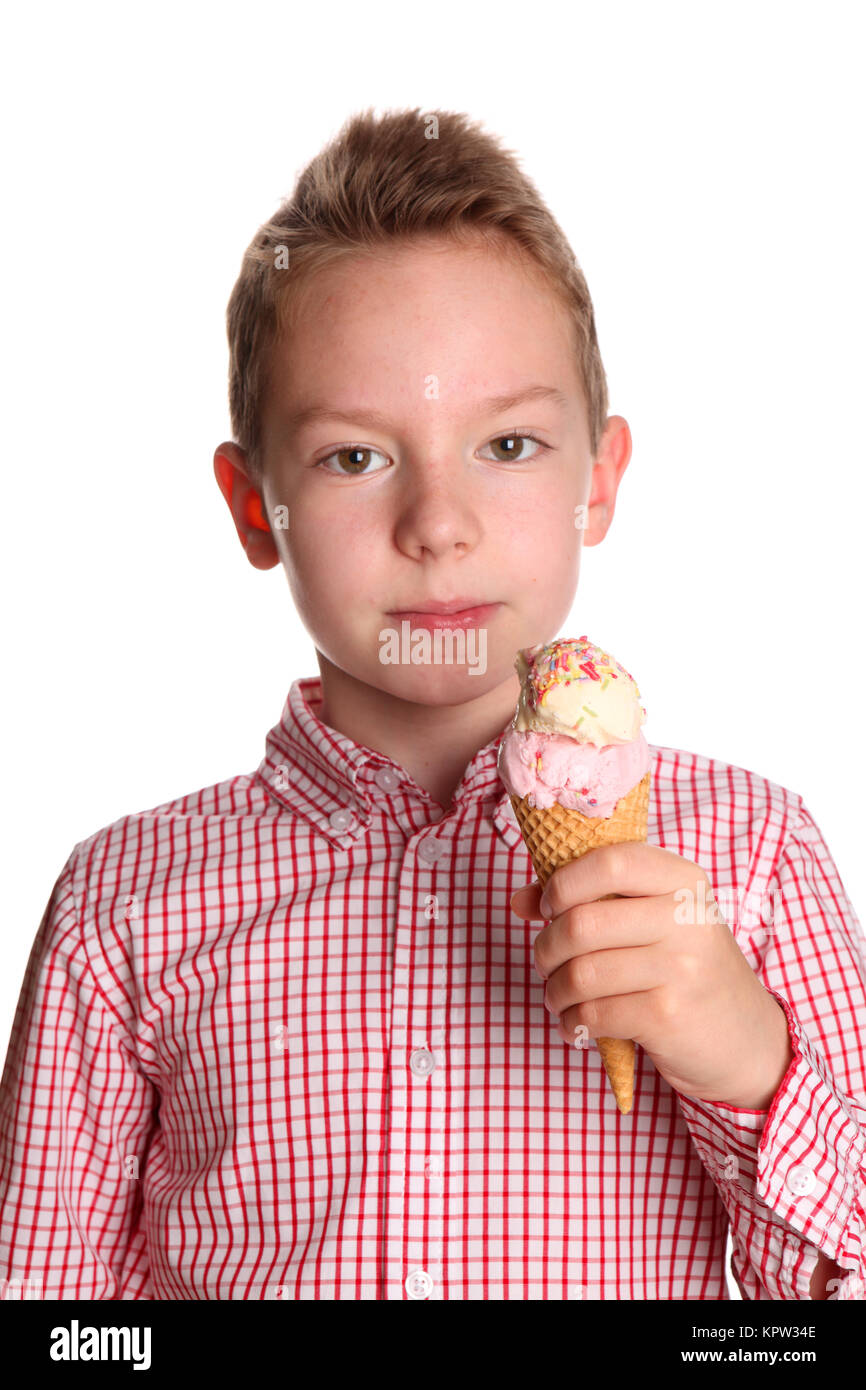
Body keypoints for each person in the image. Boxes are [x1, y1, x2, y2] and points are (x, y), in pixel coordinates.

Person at [1, 106, 863, 1301]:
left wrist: (748, 1060)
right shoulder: (123, 909)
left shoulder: (749, 855)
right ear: (257, 508)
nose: (439, 525)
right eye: (355, 456)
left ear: (598, 480)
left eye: (506, 445)